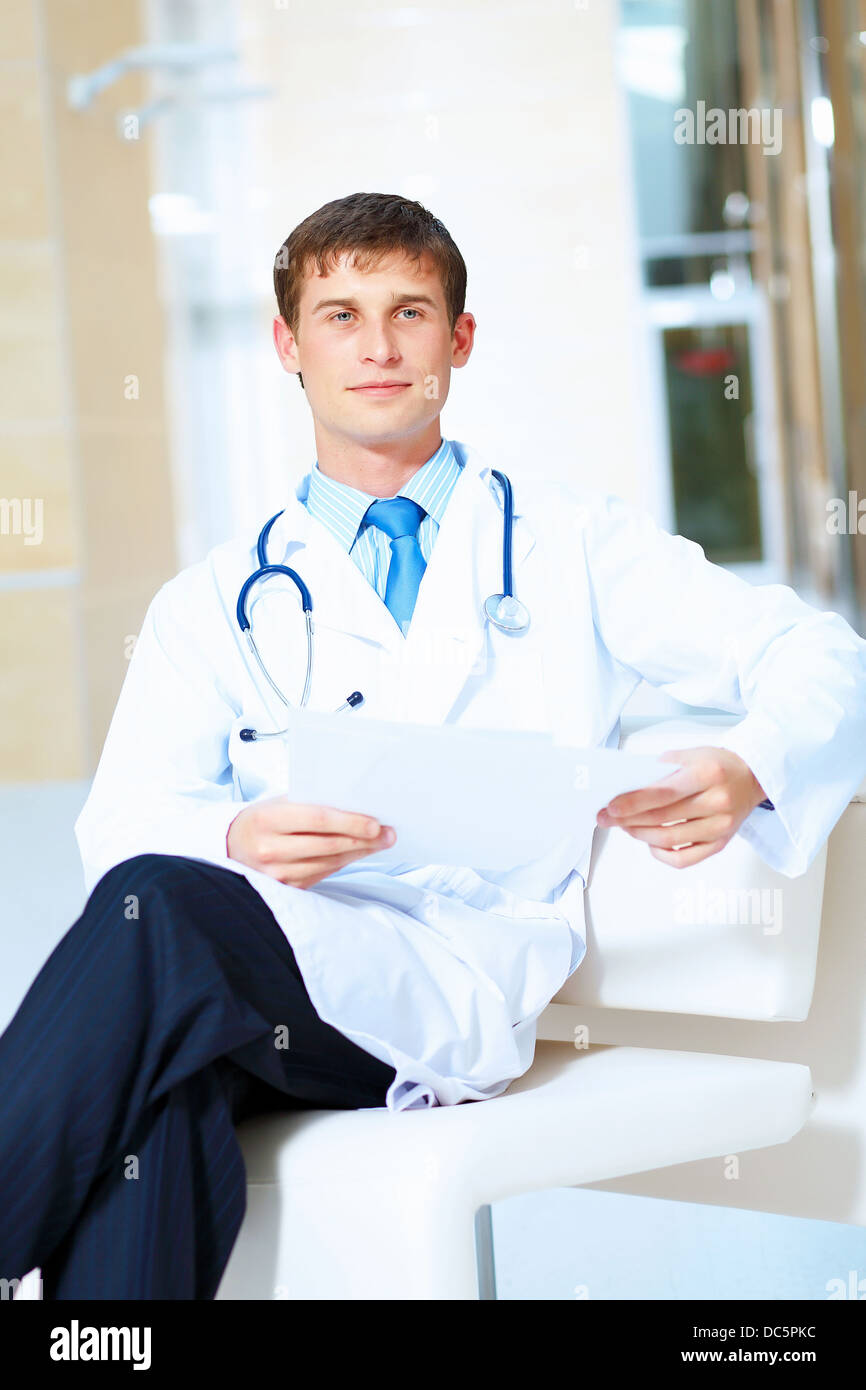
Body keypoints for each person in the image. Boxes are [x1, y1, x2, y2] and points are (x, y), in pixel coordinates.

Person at [2, 191, 866, 1301]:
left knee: (166, 919)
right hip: (276, 975)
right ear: (287, 345)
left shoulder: (568, 542)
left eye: (408, 312)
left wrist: (750, 757)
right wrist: (234, 829)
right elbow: (120, 830)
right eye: (339, 315)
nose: (375, 346)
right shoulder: (209, 601)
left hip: (458, 982)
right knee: (161, 1087)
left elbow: (826, 656)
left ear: (457, 341)